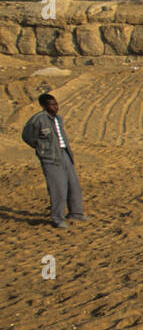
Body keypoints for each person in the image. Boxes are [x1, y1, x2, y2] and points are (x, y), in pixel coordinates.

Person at [21, 93, 87, 229]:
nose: (55, 107)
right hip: (50, 158)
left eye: (56, 103)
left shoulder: (58, 118)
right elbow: (27, 136)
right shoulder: (38, 120)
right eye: (52, 104)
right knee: (58, 189)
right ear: (44, 106)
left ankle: (76, 213)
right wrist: (41, 147)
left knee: (74, 185)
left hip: (64, 154)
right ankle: (57, 218)